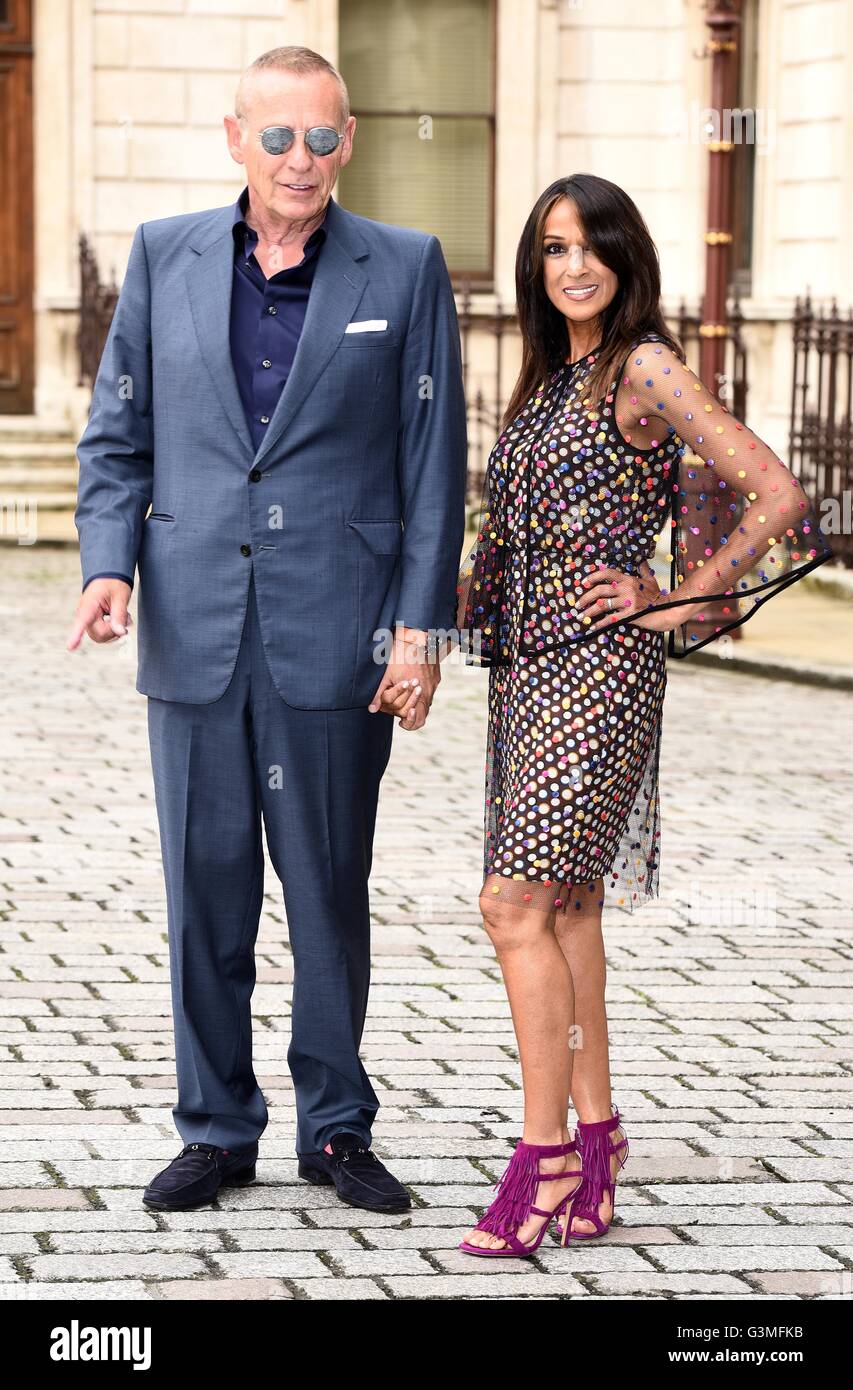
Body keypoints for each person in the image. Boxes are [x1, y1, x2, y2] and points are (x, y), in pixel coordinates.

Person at [67, 45, 467, 1215]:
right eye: (279, 137)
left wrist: (417, 630)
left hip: (334, 634)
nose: (303, 160)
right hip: (193, 628)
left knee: (329, 890)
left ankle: (337, 1128)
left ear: (352, 141)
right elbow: (116, 435)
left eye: (324, 137)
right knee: (205, 891)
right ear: (234, 136)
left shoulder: (402, 268)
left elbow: (428, 468)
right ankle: (215, 1125)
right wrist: (106, 565)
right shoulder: (162, 255)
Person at [453, 173, 833, 1256]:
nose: (572, 266)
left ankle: (545, 1159)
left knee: (510, 905)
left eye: (592, 246)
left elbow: (777, 491)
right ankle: (601, 1139)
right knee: (567, 911)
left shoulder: (644, 365)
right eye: (554, 247)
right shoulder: (549, 373)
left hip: (603, 672)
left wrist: (674, 595)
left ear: (625, 259)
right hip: (530, 673)